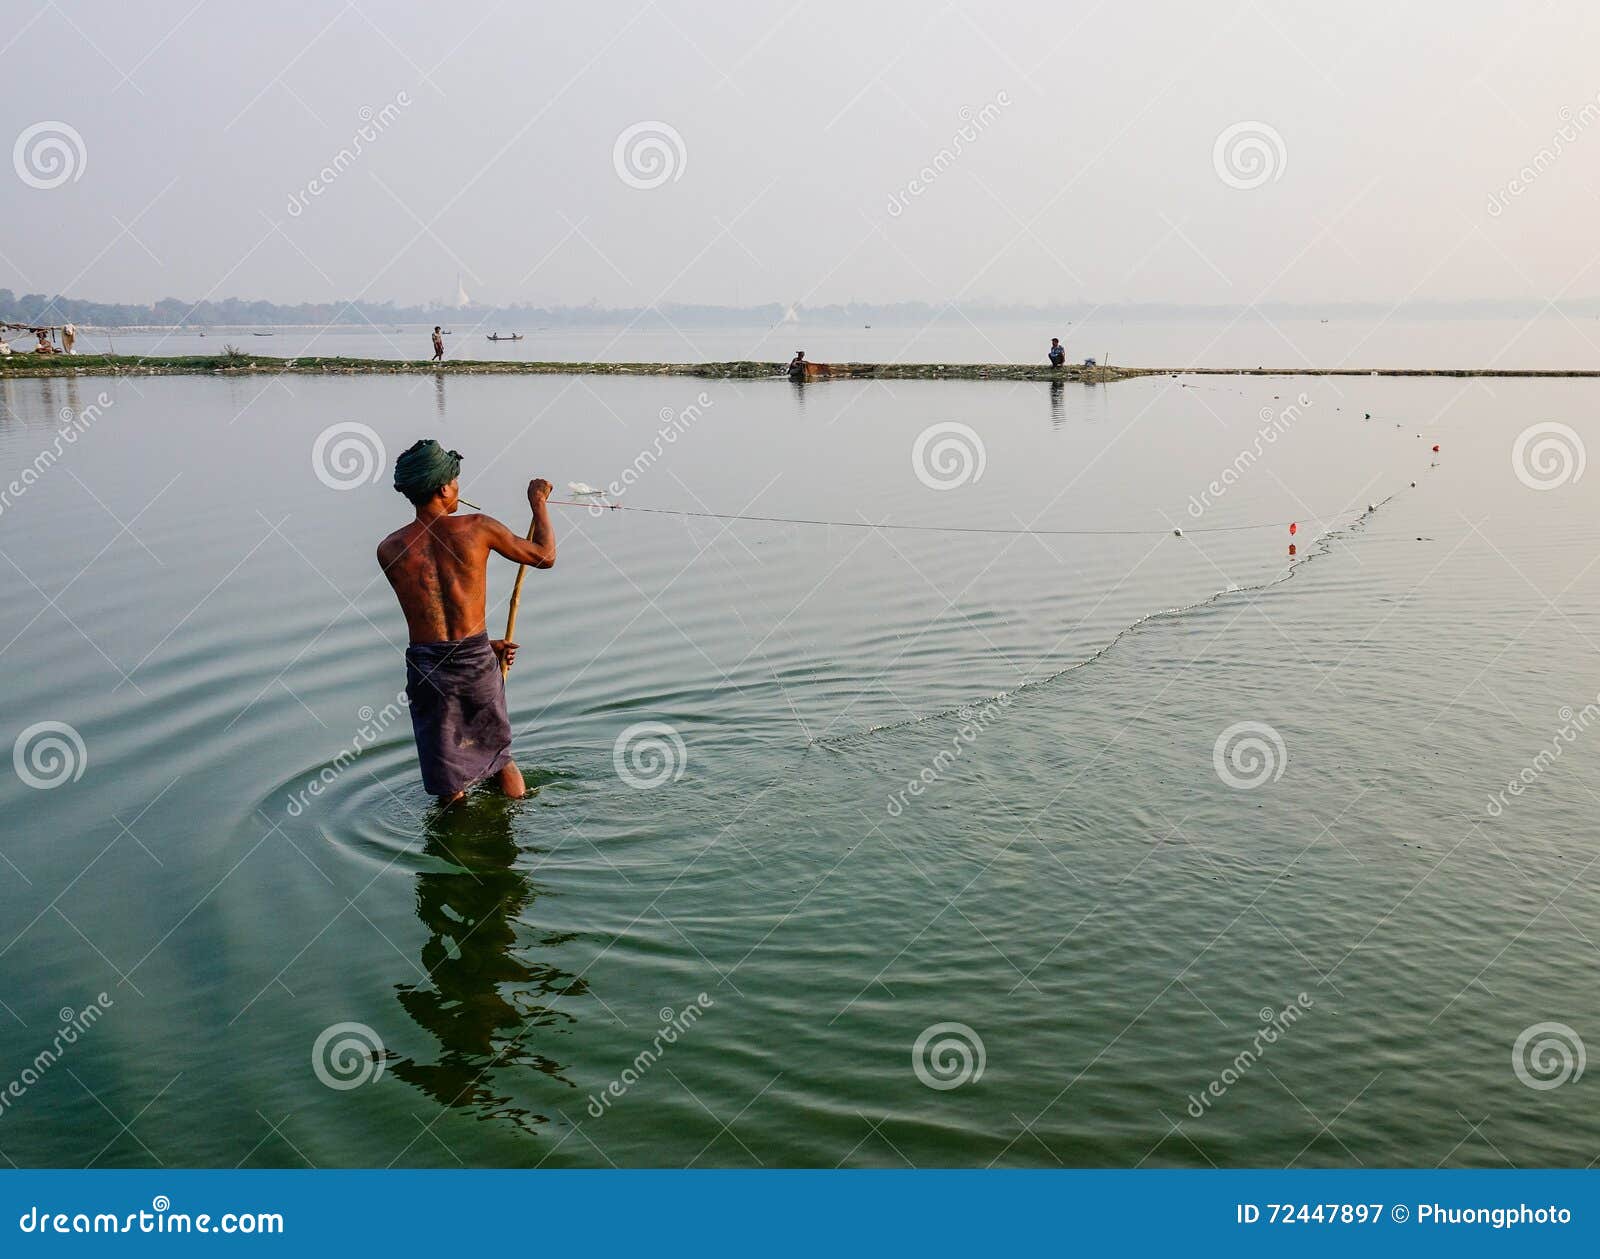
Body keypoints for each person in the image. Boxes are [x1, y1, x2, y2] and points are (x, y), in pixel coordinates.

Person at [377, 439, 558, 807]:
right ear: (444, 488)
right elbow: (545, 555)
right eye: (455, 480)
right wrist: (538, 503)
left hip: (428, 670)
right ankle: (517, 818)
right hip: (473, 664)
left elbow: (433, 617)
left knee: (447, 776)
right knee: (498, 757)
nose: (458, 487)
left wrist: (480, 647)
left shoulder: (390, 549)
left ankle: (455, 839)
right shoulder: (477, 528)